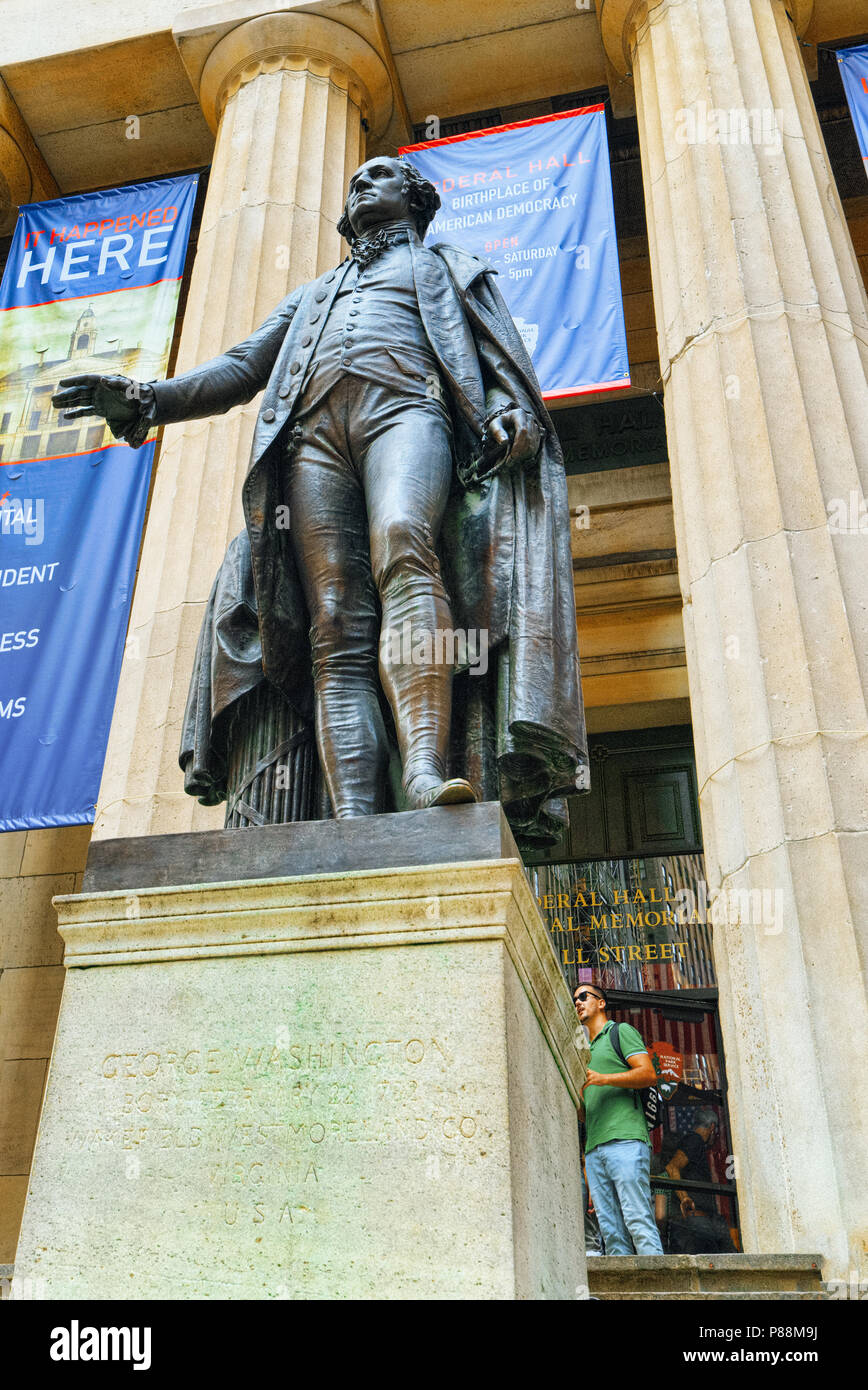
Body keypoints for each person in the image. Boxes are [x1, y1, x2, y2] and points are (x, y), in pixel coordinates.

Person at [52, 156, 587, 835]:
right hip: (314, 442)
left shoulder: (447, 267)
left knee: (402, 540)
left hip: (409, 412)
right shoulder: (314, 295)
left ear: (415, 200)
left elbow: (497, 354)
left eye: (382, 175)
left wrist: (510, 407)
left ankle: (423, 771)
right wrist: (147, 399)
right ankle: (352, 814)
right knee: (333, 622)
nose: (362, 182)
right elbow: (243, 366)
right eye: (357, 178)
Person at [575, 983, 664, 1255]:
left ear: (601, 1002)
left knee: (638, 1220)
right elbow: (584, 1111)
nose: (577, 1002)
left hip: (625, 1140)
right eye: (574, 1000)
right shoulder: (583, 1051)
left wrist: (604, 1079)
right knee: (611, 1232)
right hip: (594, 1149)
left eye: (583, 996)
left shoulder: (619, 1032)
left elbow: (648, 1074)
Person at [663, 1106, 736, 1253]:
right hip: (697, 1220)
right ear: (712, 1127)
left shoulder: (694, 1143)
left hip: (706, 1220)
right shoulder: (693, 1140)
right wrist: (685, 1198)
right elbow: (672, 1168)